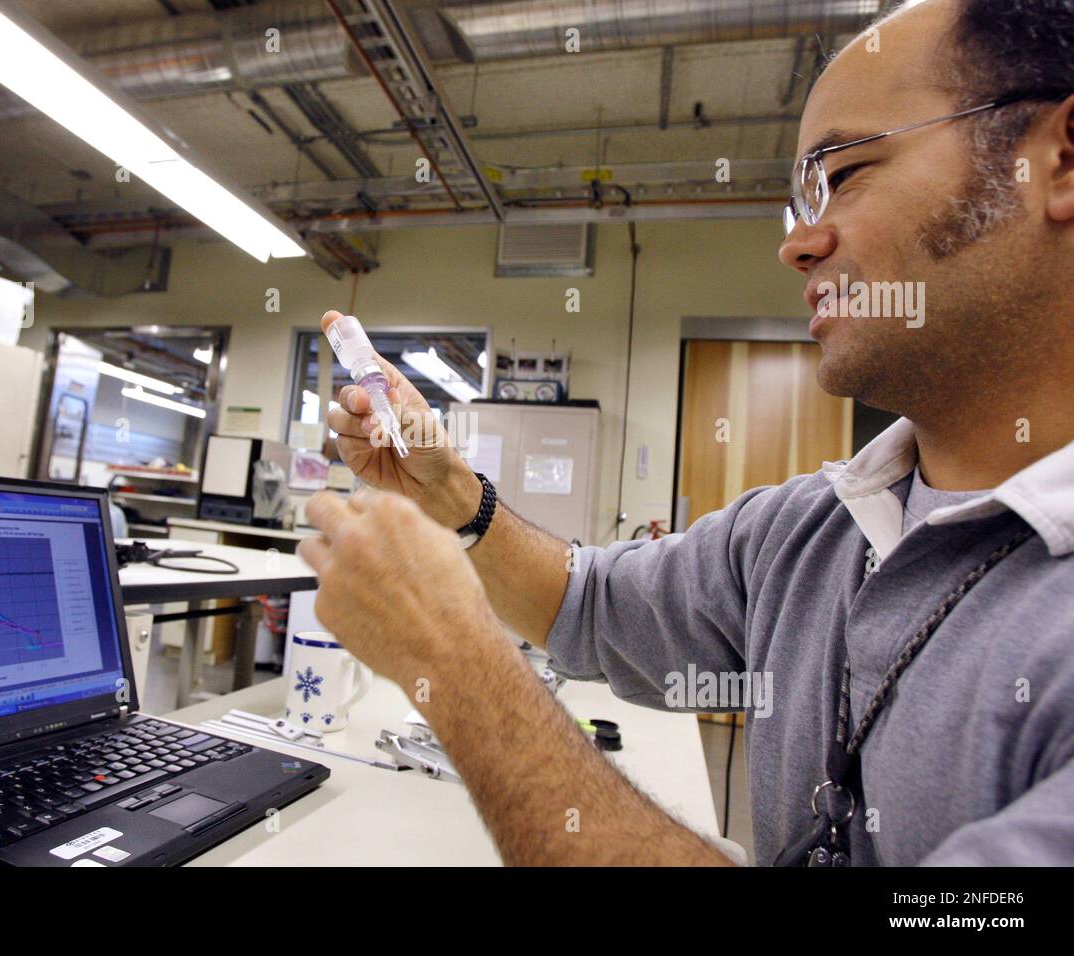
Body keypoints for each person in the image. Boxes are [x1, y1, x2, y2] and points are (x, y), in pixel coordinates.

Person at [296, 0, 1074, 865]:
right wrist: (444, 492)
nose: (799, 245)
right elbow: (587, 603)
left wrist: (461, 671)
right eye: (800, 199)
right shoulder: (805, 534)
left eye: (846, 173)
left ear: (1058, 160)